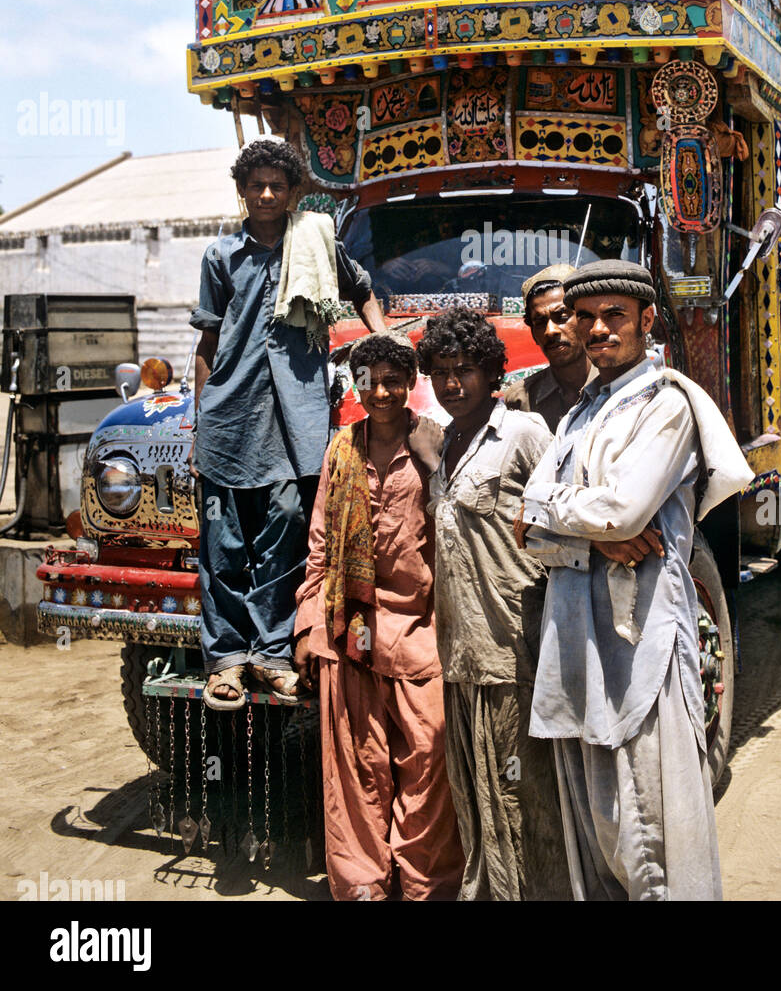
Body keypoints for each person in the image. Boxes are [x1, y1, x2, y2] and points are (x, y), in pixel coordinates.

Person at [516, 260, 754, 901]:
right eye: (584, 317)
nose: (596, 329)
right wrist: (595, 535)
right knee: (601, 833)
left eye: (613, 315)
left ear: (647, 321)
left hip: (640, 641)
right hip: (576, 642)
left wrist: (570, 519)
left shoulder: (667, 405)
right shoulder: (578, 414)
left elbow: (621, 509)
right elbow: (528, 526)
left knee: (654, 833)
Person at [190, 138, 387, 710]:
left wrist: (381, 341)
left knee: (285, 532)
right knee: (224, 542)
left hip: (298, 413)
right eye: (257, 186)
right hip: (231, 414)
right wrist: (200, 418)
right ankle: (225, 660)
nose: (268, 194)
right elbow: (206, 341)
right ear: (242, 191)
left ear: (295, 190)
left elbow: (363, 289)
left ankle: (273, 655)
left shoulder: (318, 240)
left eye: (279, 185)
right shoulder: (219, 255)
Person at [293, 334, 463, 901]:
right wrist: (312, 625)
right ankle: (364, 882)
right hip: (353, 632)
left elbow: (457, 539)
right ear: (356, 386)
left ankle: (426, 885)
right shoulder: (341, 449)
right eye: (370, 379)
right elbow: (320, 546)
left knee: (429, 759)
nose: (383, 390)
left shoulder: (433, 443)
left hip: (422, 630)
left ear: (411, 383)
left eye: (395, 379)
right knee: (358, 767)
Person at [416, 306, 571, 901]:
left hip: (516, 653)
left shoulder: (526, 433)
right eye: (441, 372)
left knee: (526, 798)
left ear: (490, 372)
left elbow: (566, 512)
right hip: (461, 655)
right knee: (476, 797)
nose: (452, 384)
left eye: (465, 371)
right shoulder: (447, 440)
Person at [504, 263, 597, 433]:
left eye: (561, 317)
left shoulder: (616, 385)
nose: (550, 331)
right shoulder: (520, 400)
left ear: (585, 320)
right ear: (532, 333)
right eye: (539, 322)